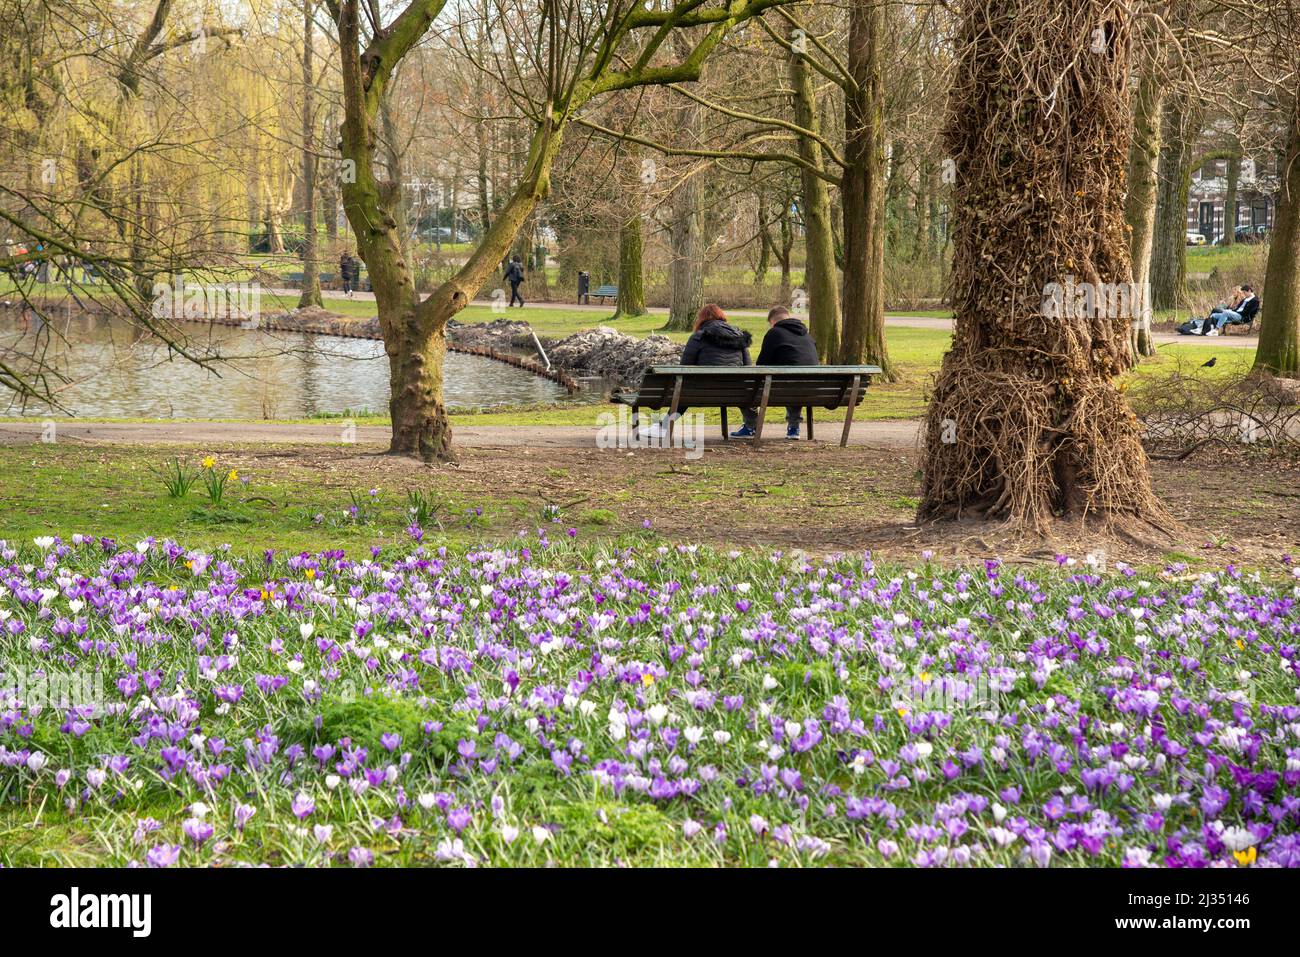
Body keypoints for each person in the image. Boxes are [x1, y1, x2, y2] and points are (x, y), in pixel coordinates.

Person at [640, 303, 752, 440]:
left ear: (701, 319)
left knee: (685, 388)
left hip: (701, 391)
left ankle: (663, 427)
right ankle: (752, 425)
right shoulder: (739, 336)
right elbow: (748, 367)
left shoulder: (699, 336)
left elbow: (684, 367)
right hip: (734, 392)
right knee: (743, 386)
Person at [732, 306, 819, 440]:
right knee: (795, 382)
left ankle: (750, 426)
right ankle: (793, 428)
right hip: (812, 389)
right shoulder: (807, 335)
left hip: (782, 388)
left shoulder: (775, 333)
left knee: (748, 385)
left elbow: (762, 364)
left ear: (773, 322)